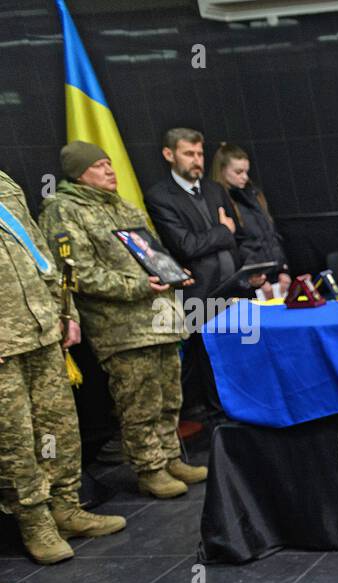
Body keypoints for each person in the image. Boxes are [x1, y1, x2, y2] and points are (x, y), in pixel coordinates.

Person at [40, 142, 205, 500]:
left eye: (110, 163)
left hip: (159, 318)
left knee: (168, 396)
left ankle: (170, 457)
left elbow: (153, 254)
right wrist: (137, 286)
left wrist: (174, 273)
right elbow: (77, 274)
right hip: (122, 327)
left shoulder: (123, 205)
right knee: (139, 403)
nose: (110, 170)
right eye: (100, 166)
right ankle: (150, 469)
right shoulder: (64, 211)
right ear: (79, 173)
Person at [1, 166, 125, 567]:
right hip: (5, 344)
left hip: (42, 329)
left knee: (59, 429)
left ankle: (66, 509)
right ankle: (35, 524)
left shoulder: (5, 183)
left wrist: (65, 311)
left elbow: (39, 253)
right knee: (17, 442)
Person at [145, 127, 261, 416]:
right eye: (189, 153)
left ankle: (248, 410)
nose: (197, 160)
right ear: (169, 155)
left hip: (236, 288)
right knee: (211, 361)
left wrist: (252, 268)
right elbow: (185, 246)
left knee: (246, 353)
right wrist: (223, 231)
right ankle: (218, 421)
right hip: (200, 293)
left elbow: (240, 238)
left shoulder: (214, 189)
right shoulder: (160, 196)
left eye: (200, 153)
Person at [209, 142, 291, 298]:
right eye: (238, 172)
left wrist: (284, 270)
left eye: (246, 171)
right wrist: (256, 278)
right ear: (222, 170)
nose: (245, 177)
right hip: (249, 284)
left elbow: (271, 236)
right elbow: (238, 245)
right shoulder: (219, 201)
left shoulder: (254, 195)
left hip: (275, 279)